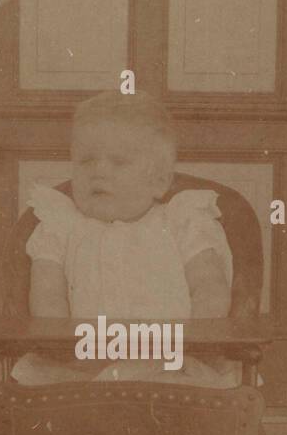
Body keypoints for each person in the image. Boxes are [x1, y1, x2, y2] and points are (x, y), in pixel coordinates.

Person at [12, 89, 241, 388]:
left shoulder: (182, 222)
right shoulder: (60, 226)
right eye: (86, 161)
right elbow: (47, 298)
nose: (99, 172)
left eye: (119, 162)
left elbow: (210, 288)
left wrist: (189, 344)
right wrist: (65, 347)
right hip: (82, 363)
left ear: (159, 181)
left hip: (171, 361)